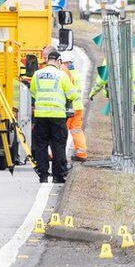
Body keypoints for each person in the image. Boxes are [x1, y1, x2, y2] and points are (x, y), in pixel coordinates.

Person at [31, 51, 79, 183]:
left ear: (47, 60)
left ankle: (43, 175)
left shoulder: (37, 74)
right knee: (58, 145)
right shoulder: (61, 75)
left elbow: (34, 92)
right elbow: (72, 95)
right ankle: (58, 175)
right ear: (58, 61)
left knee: (41, 146)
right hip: (57, 116)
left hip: (40, 116)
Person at [59, 51, 88, 161]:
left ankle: (55, 155)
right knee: (77, 131)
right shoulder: (77, 73)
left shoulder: (64, 73)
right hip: (78, 107)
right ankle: (81, 154)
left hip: (68, 108)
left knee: (60, 132)